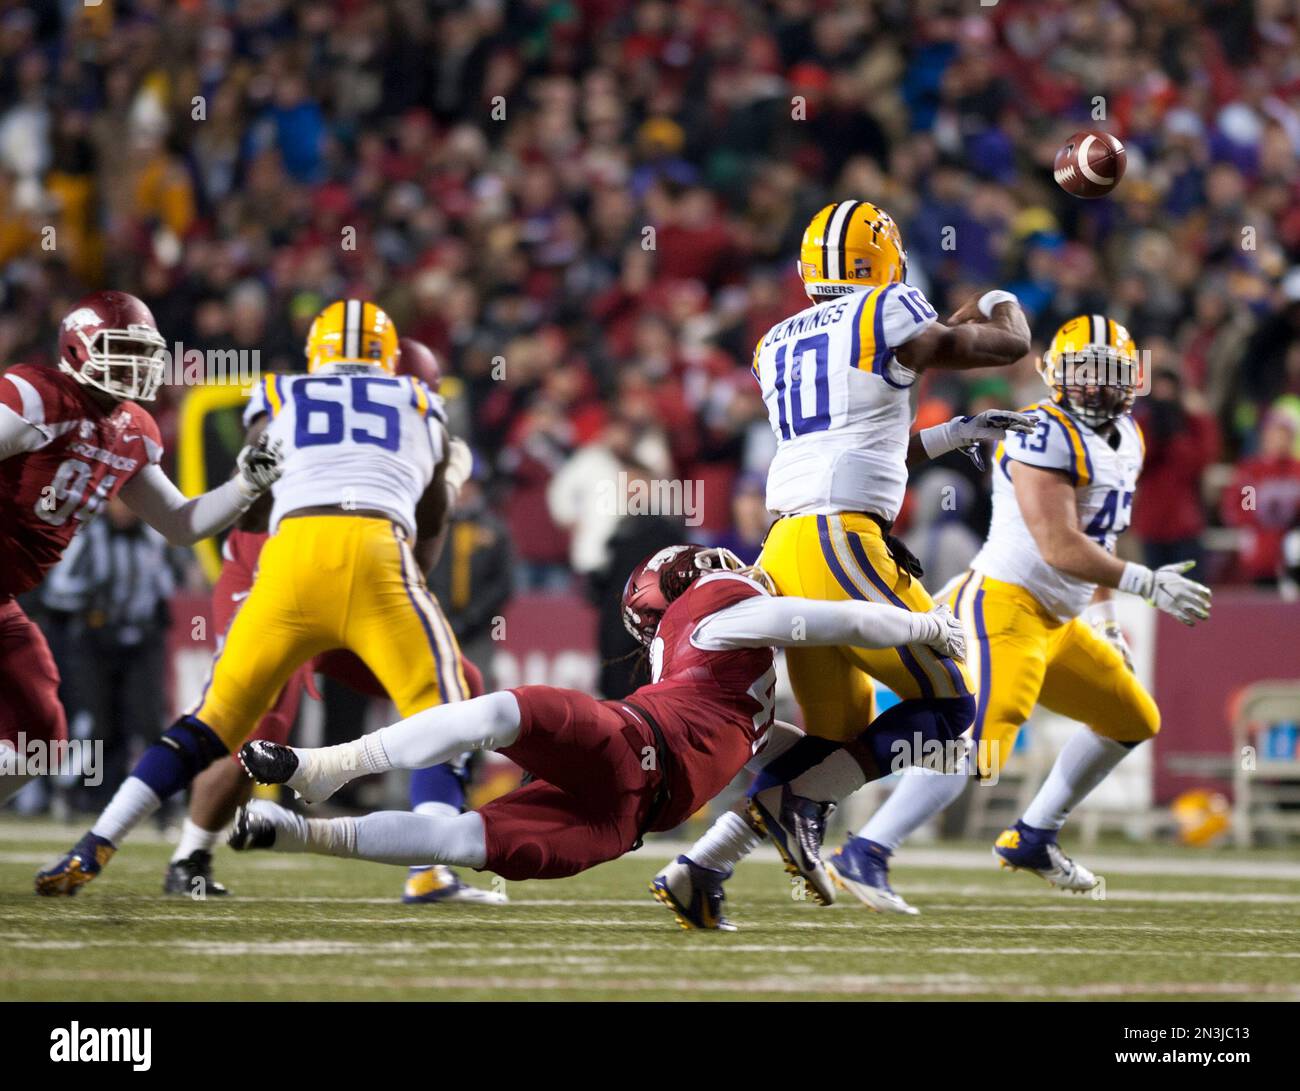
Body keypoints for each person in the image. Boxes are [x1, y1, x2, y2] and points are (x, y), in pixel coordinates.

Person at [228, 544, 965, 933]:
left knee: (460, 840)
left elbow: (768, 743)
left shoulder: (725, 666)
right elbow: (840, 622)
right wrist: (927, 624)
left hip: (628, 812)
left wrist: (819, 784)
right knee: (496, 716)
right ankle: (326, 766)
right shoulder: (720, 612)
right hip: (635, 753)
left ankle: (295, 832)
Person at [655, 200, 1033, 908]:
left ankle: (702, 864)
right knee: (950, 703)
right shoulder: (888, 307)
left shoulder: (774, 342)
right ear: (883, 261)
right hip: (842, 539)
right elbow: (1004, 346)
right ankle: (798, 804)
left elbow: (860, 444)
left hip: (788, 546)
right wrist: (1000, 298)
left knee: (839, 736)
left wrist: (955, 431)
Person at [35, 301, 465, 895]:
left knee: (213, 723)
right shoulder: (421, 406)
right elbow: (428, 529)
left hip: (287, 564)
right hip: (354, 555)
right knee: (441, 718)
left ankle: (95, 844)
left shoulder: (279, 394)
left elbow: (256, 495)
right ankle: (427, 868)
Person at [827, 315, 1213, 913]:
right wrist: (1147, 584)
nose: (1095, 385)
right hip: (1002, 605)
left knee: (1131, 718)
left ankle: (1033, 837)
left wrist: (1108, 623)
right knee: (981, 744)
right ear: (1054, 374)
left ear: (1133, 380)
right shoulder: (1040, 431)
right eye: (1082, 370)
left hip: (1059, 620)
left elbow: (1097, 543)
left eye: (1108, 373)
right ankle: (866, 851)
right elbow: (1060, 545)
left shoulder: (1130, 439)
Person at [1, 290, 282, 808]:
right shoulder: (36, 395)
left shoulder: (131, 430)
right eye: (120, 348)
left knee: (38, 739)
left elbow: (179, 525)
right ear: (79, 347)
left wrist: (245, 485)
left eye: (140, 352)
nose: (133, 364)